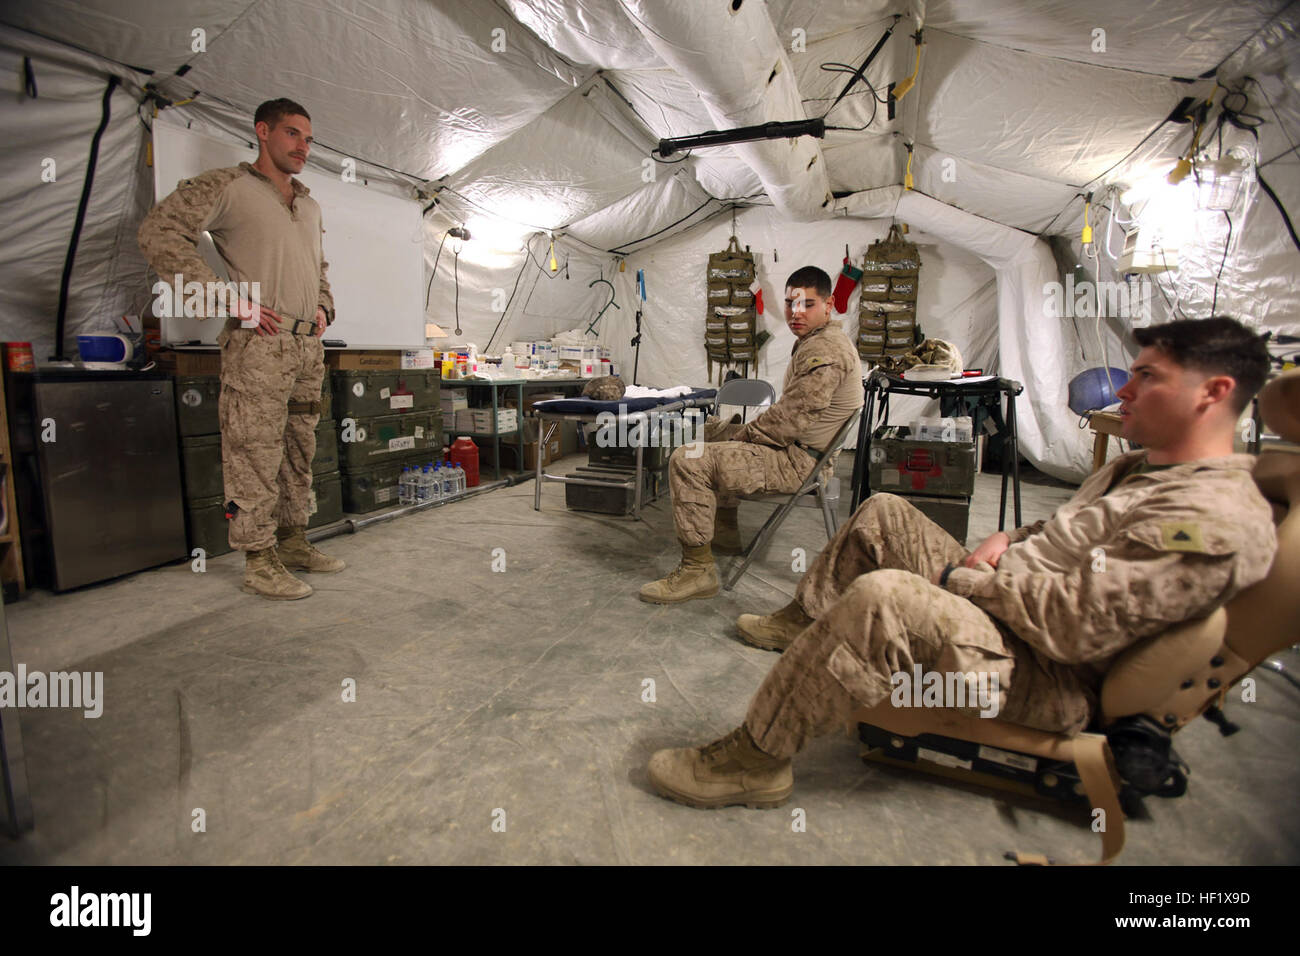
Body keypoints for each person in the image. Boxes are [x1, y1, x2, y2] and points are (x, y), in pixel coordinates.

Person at [647, 316, 1277, 809]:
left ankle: (756, 760)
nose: (1125, 389)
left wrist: (963, 579)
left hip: (1047, 670)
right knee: (884, 510)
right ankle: (803, 621)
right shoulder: (1144, 465)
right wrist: (1013, 538)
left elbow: (1075, 627)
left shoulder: (1209, 521)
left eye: (1149, 377)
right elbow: (1072, 531)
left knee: (887, 599)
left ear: (1214, 392)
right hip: (1014, 601)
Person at [139, 97, 344, 600]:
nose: (303, 146)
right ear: (263, 132)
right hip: (260, 346)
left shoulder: (309, 202)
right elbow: (159, 232)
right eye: (293, 134)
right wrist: (223, 297)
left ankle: (294, 539)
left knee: (299, 448)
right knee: (253, 450)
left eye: (309, 138)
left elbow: (318, 268)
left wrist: (323, 308)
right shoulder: (230, 187)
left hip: (304, 347)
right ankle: (258, 558)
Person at [639, 266, 864, 604]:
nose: (796, 313)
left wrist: (743, 437)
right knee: (714, 432)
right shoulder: (817, 341)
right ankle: (726, 531)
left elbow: (790, 420)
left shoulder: (827, 352)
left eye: (808, 304)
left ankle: (697, 571)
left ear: (830, 304)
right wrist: (734, 434)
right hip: (801, 450)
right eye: (790, 303)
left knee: (687, 460)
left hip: (799, 463)